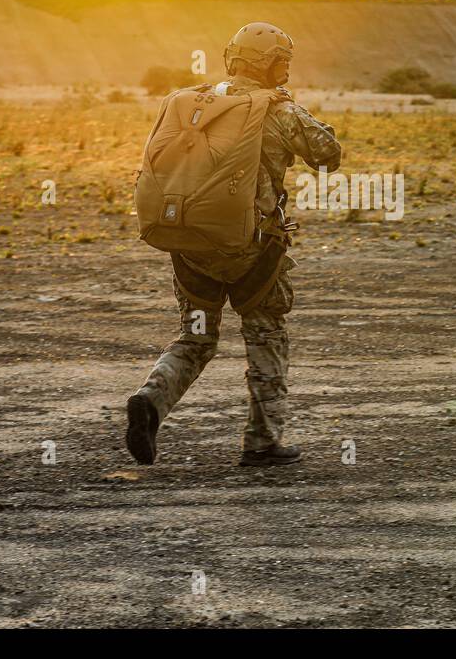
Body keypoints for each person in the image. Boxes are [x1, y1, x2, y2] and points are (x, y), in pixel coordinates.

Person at [126, 23, 342, 467]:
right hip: (251, 251)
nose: (285, 68)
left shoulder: (192, 102)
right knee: (265, 333)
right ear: (269, 64)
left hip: (189, 246)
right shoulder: (277, 110)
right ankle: (263, 440)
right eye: (282, 60)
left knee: (196, 337)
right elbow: (328, 155)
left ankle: (151, 399)